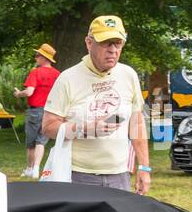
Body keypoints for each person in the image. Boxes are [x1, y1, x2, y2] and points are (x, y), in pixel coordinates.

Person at [41, 15, 151, 194]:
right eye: (106, 43)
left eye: (118, 43)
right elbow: (47, 127)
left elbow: (137, 123)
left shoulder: (128, 75)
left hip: (120, 176)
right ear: (89, 43)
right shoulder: (67, 79)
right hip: (78, 176)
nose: (113, 50)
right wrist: (84, 129)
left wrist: (144, 168)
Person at [13, 43, 60, 177]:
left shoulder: (36, 72)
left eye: (38, 55)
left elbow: (29, 92)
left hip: (35, 111)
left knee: (31, 143)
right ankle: (36, 169)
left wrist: (18, 94)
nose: (35, 57)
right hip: (51, 111)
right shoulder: (58, 74)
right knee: (41, 141)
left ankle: (29, 169)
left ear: (45, 58)